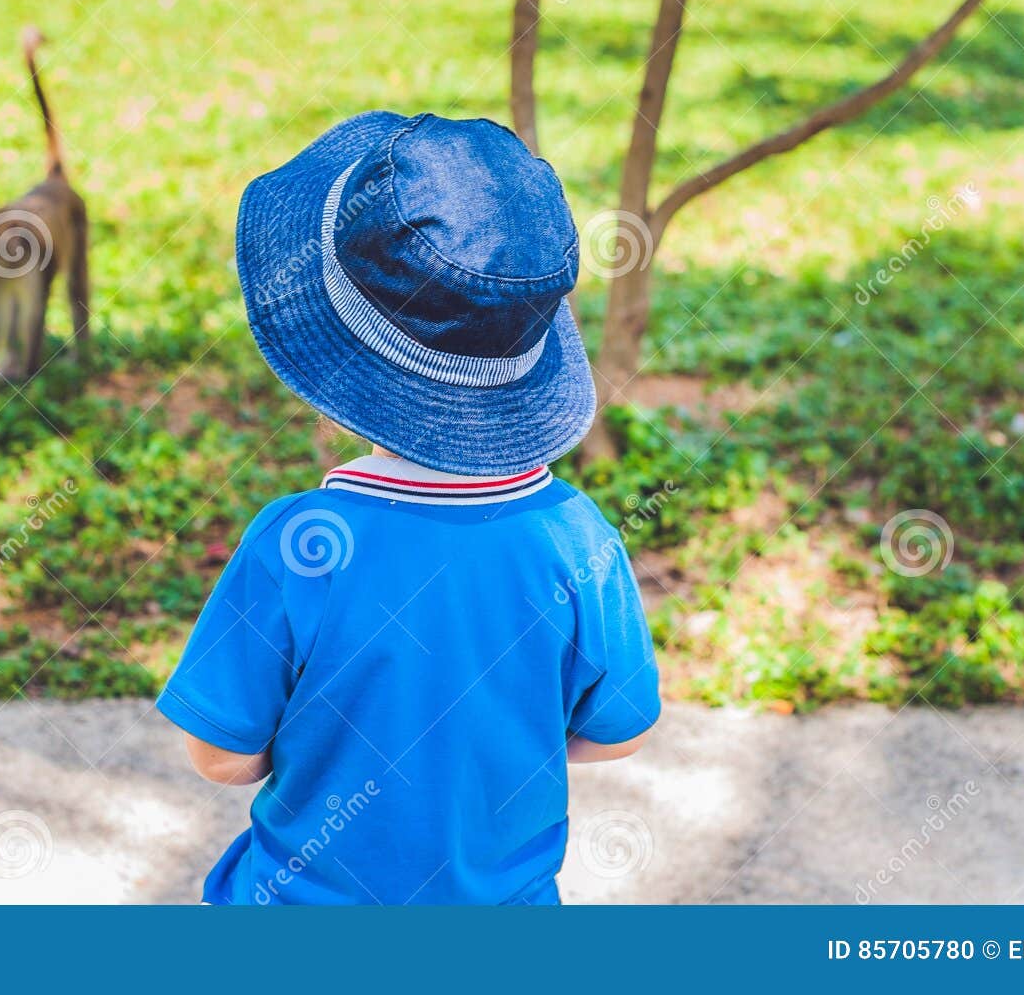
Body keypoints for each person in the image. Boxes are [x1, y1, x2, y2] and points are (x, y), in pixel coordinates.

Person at [158, 112, 660, 904]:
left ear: (335, 377)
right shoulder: (576, 538)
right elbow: (620, 728)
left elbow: (218, 755)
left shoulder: (298, 544)